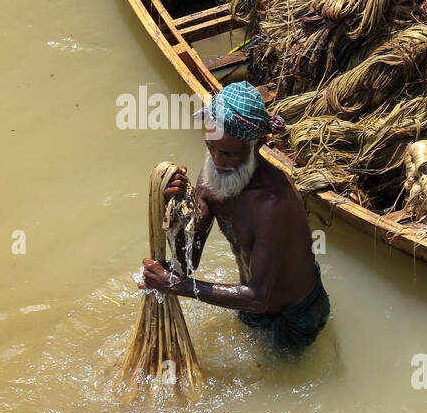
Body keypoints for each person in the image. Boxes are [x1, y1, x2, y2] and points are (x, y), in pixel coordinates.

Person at [138, 81, 330, 353]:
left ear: (258, 145)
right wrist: (177, 210)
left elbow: (258, 296)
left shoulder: (274, 202)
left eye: (229, 154)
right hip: (250, 302)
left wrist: (176, 285)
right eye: (211, 148)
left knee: (283, 380)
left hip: (295, 313)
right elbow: (188, 261)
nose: (217, 162)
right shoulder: (211, 180)